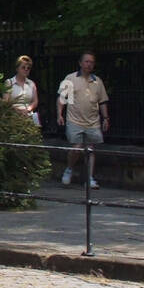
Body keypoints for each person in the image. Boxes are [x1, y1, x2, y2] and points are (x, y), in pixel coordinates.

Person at [57, 52, 109, 189]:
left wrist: (105, 118)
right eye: (86, 61)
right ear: (80, 63)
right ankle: (69, 169)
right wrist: (59, 114)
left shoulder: (97, 81)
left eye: (91, 62)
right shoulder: (70, 78)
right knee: (76, 148)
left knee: (91, 149)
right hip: (74, 119)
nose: (89, 64)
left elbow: (102, 101)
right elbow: (62, 98)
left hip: (92, 121)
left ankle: (90, 178)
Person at [4, 55, 40, 126]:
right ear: (17, 68)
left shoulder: (31, 83)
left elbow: (35, 101)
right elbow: (5, 103)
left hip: (29, 115)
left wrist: (28, 109)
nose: (26, 69)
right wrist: (19, 111)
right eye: (23, 67)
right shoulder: (9, 83)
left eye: (28, 68)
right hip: (13, 117)